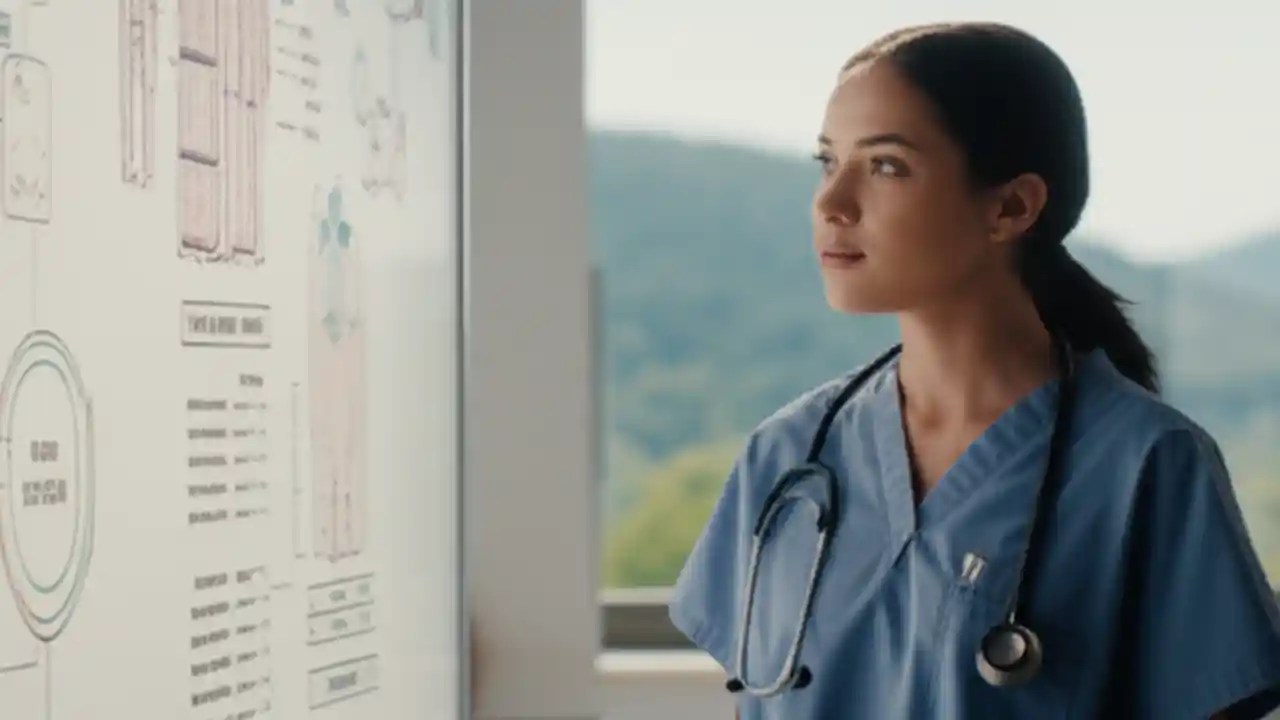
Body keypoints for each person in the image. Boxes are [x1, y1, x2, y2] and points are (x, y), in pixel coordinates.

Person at [667, 21, 1280, 720]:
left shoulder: (1145, 464)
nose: (831, 203)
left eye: (886, 165)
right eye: (827, 161)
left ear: (1011, 206)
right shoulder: (787, 455)